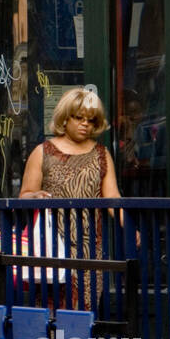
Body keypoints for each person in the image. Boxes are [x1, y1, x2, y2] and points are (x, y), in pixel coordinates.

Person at [19, 87, 122, 311]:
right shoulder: (42, 152)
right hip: (51, 246)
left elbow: (113, 197)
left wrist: (129, 225)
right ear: (65, 118)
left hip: (90, 251)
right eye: (78, 118)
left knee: (83, 313)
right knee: (49, 311)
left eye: (91, 120)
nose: (85, 124)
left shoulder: (102, 154)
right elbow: (25, 195)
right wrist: (35, 196)